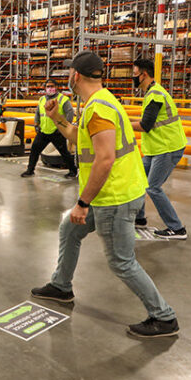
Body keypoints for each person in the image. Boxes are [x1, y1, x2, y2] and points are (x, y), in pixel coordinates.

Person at [30, 51, 179, 338]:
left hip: (114, 197)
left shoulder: (98, 109)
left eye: (69, 72)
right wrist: (57, 118)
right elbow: (77, 136)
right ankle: (61, 286)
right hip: (110, 194)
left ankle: (164, 317)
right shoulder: (100, 101)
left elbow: (105, 159)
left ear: (76, 75)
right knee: (69, 230)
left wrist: (82, 203)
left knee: (122, 262)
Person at [130, 58, 188, 240]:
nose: (133, 78)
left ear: (144, 74)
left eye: (134, 74)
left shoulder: (155, 95)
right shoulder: (150, 92)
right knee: (138, 179)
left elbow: (146, 125)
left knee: (153, 187)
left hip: (168, 147)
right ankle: (139, 218)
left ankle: (177, 228)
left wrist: (121, 124)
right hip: (156, 147)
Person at [22, 79, 77, 179]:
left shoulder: (63, 99)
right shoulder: (42, 99)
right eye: (48, 86)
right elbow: (38, 113)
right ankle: (30, 170)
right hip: (44, 131)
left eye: (52, 86)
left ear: (57, 87)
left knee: (64, 153)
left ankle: (73, 171)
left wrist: (64, 128)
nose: (50, 88)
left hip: (57, 132)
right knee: (34, 150)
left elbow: (69, 114)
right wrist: (36, 124)